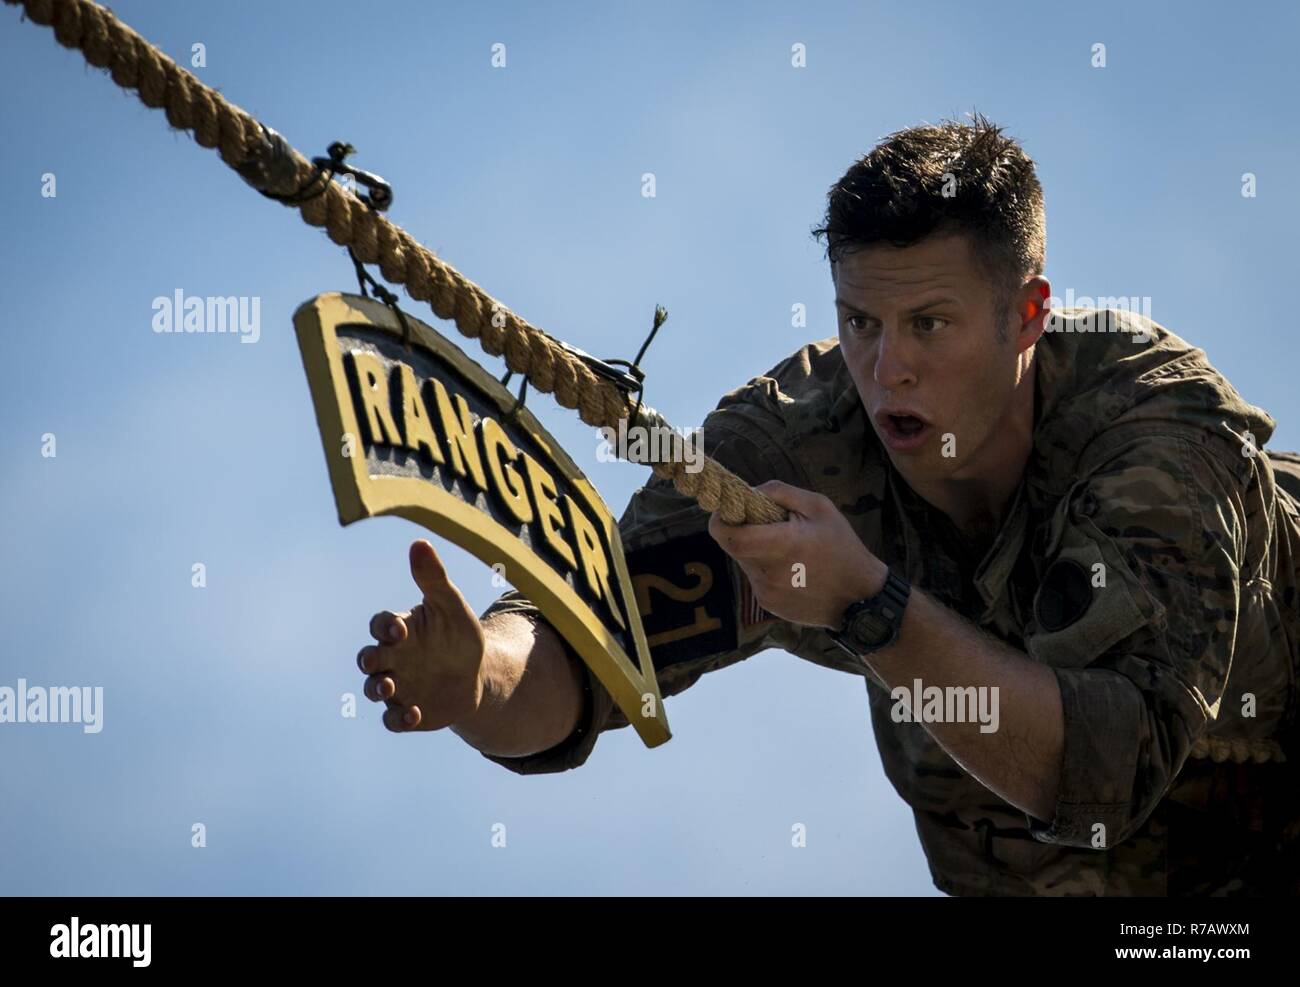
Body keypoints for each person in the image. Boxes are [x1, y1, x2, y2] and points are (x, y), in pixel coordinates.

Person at [353, 114, 1300, 895]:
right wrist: (482, 674)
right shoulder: (790, 453)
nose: (888, 368)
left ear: (1028, 314)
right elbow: (595, 643)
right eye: (859, 321)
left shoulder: (1155, 437)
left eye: (929, 323)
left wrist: (870, 608)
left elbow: (1102, 770)